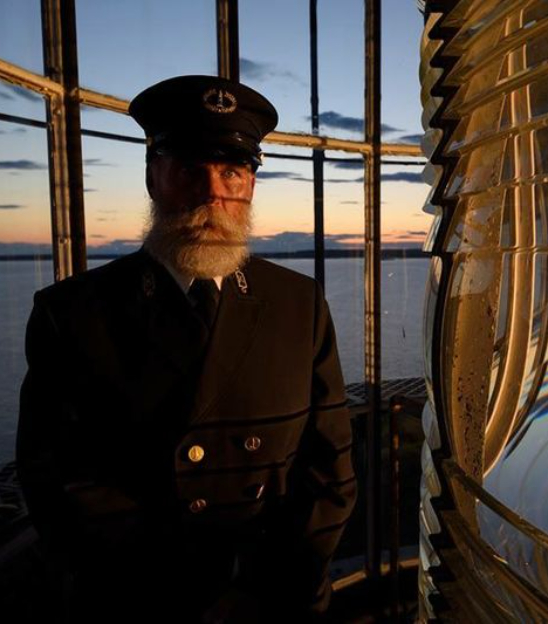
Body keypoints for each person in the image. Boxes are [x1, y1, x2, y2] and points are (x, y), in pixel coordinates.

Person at [15, 75, 358, 623]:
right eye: (188, 170)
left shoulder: (299, 304)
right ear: (152, 178)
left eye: (231, 172)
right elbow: (57, 482)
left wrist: (291, 581)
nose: (211, 194)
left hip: (277, 601)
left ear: (251, 185)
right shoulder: (73, 314)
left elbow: (330, 468)